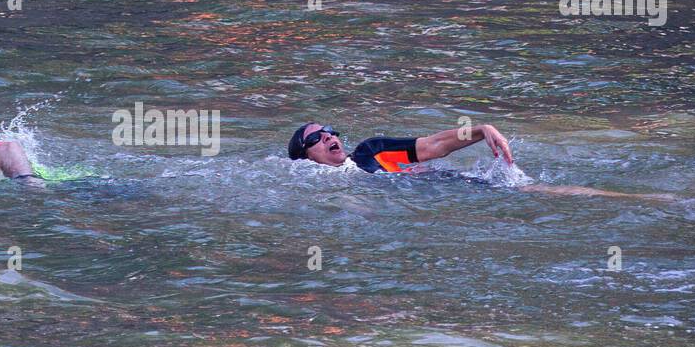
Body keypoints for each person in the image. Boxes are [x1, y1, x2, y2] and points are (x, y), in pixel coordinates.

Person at [287, 122, 671, 200]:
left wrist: (481, 129)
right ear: (304, 156)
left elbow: (435, 145)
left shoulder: (369, 152)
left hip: (458, 186)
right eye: (316, 138)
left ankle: (630, 197)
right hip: (444, 206)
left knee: (536, 190)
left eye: (331, 131)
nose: (329, 138)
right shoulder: (306, 184)